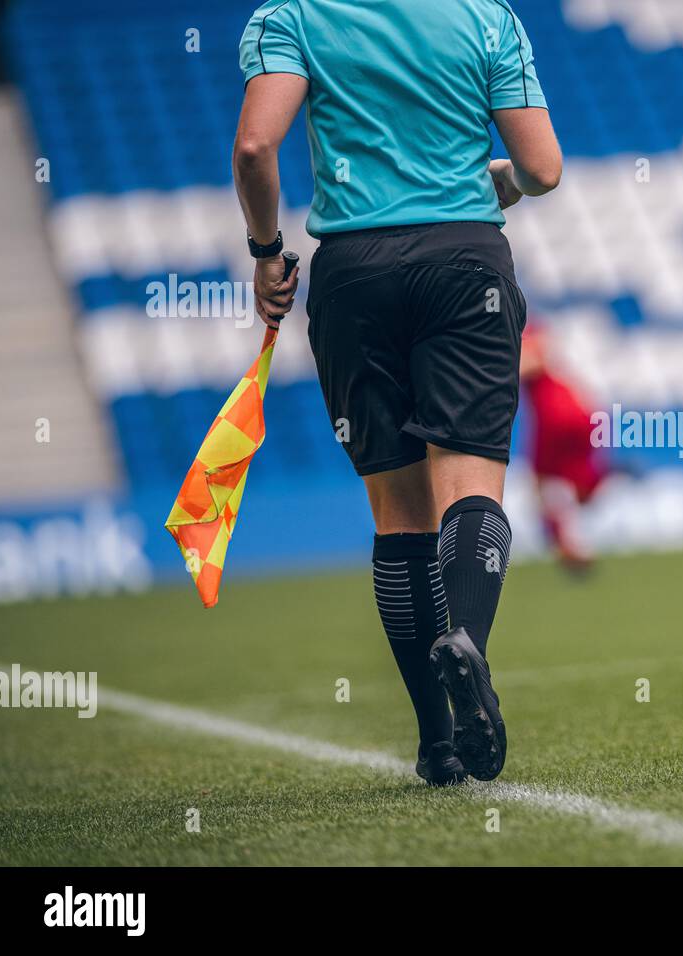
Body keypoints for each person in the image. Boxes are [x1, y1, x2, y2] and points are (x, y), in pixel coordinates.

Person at [233, 0, 561, 784]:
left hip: (354, 277)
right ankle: (469, 643)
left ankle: (437, 742)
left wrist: (267, 251)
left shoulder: (293, 16)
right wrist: (500, 181)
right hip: (464, 262)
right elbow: (543, 169)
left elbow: (254, 146)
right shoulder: (486, 17)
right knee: (470, 486)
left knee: (400, 516)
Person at [519, 324, 611, 573]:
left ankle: (566, 542)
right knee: (561, 483)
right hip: (576, 413)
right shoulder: (528, 326)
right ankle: (571, 541)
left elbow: (532, 359)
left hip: (557, 417)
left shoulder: (517, 329)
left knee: (543, 482)